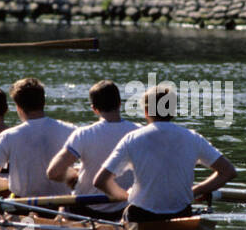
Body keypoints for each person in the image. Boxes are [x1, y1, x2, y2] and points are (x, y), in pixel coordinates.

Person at [94, 83, 236, 222]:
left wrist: (126, 196)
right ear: (173, 111)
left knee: (127, 213)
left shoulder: (132, 139)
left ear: (146, 112)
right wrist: (196, 191)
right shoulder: (193, 138)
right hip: (181, 215)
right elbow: (228, 171)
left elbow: (100, 181)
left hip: (141, 216)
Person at [45, 80, 138, 220]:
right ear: (120, 103)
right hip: (125, 209)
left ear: (94, 109)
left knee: (64, 206)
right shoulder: (139, 132)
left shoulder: (83, 134)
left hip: (86, 209)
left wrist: (73, 178)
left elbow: (53, 172)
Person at [0, 78, 74, 198]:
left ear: (18, 107)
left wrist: (8, 183)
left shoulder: (7, 136)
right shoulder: (71, 130)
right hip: (63, 205)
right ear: (44, 102)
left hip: (24, 206)